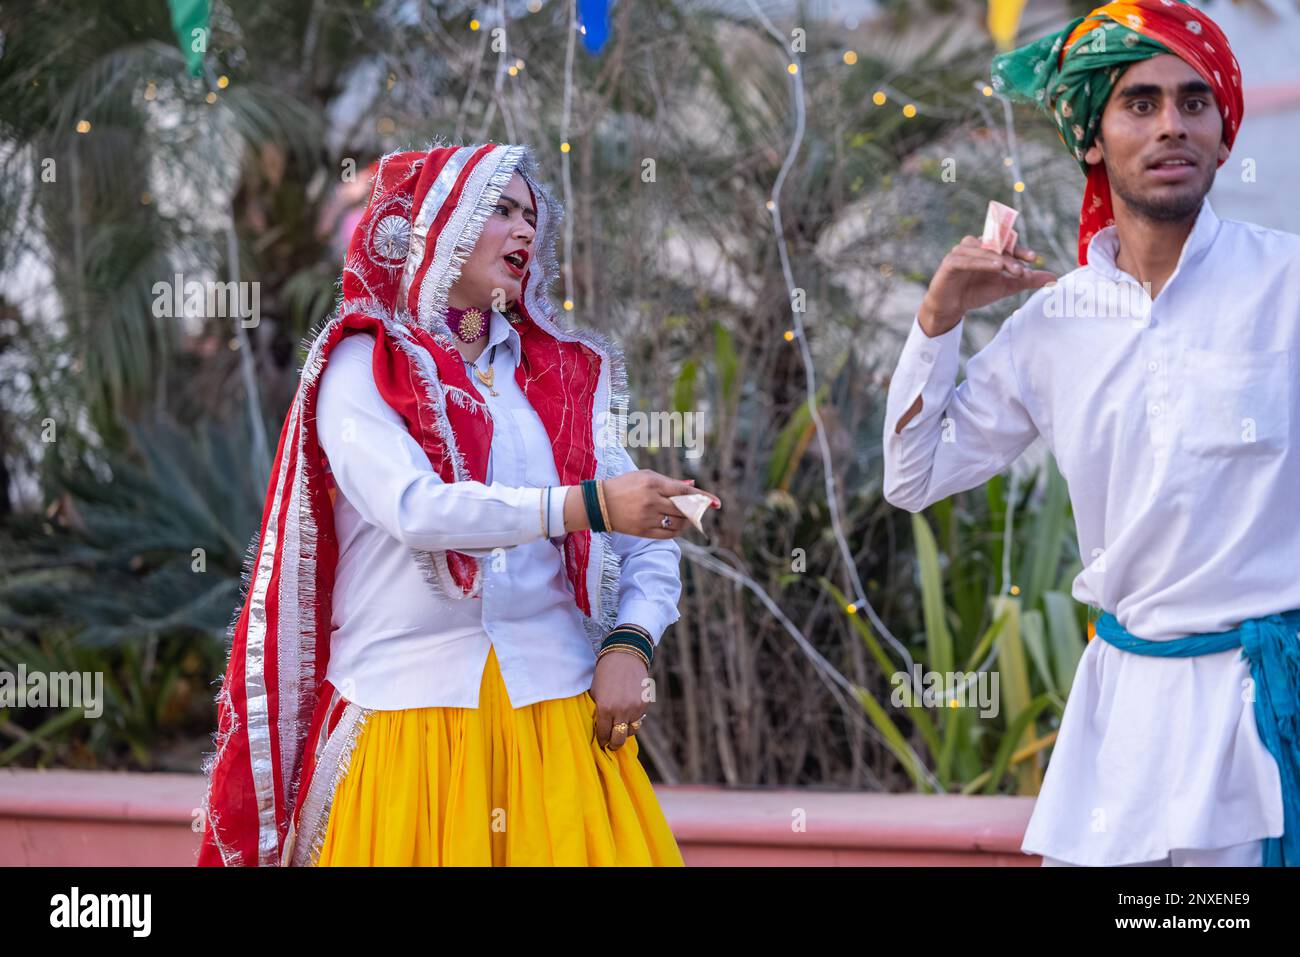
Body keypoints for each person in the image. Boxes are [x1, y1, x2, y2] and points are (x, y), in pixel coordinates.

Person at [198, 141, 719, 866]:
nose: (525, 231)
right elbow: (419, 509)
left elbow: (646, 530)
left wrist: (631, 643)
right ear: (435, 223)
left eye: (531, 216)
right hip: (411, 727)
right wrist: (589, 505)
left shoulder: (557, 379)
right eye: (499, 209)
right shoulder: (363, 364)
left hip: (560, 724)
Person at [882, 0, 1299, 867]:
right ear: (1092, 139)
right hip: (1122, 725)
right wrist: (937, 319)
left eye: (1194, 101)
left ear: (1225, 135)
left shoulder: (1287, 285)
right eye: (1139, 104)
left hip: (1264, 718)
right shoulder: (1052, 324)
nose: (1170, 125)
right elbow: (912, 477)